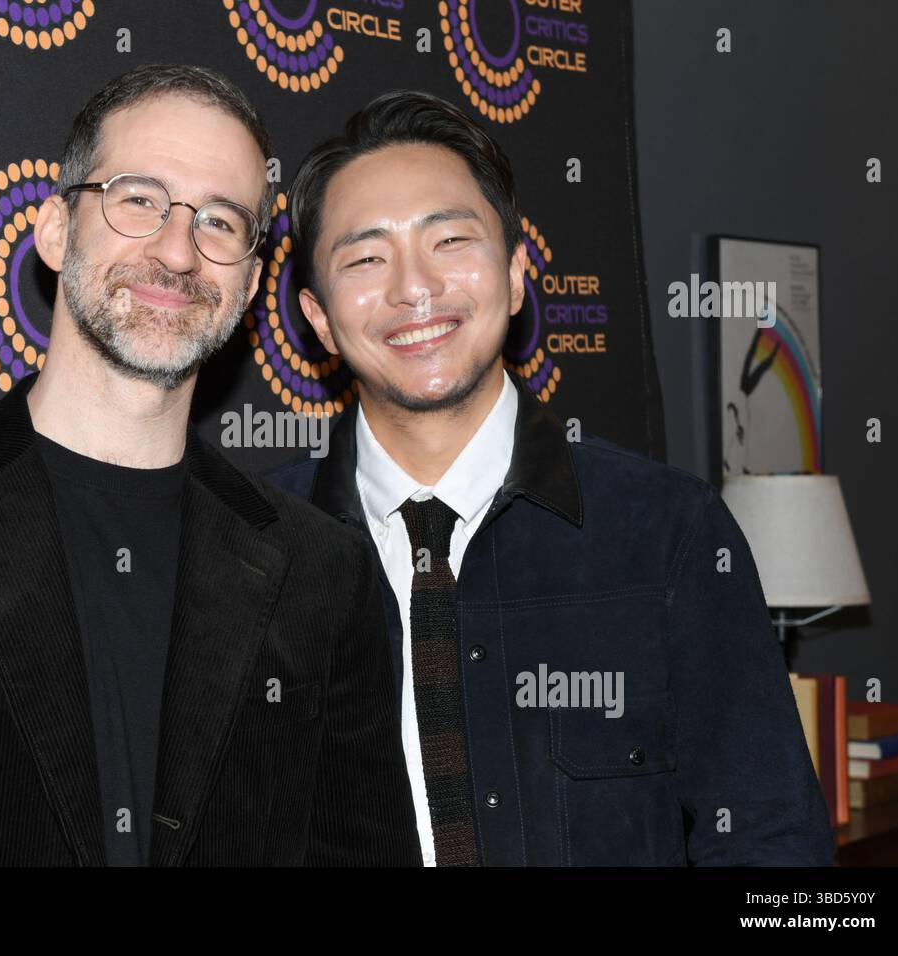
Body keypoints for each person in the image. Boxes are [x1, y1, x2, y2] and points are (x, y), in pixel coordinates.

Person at [0, 64, 421, 867]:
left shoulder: (322, 572)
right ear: (57, 231)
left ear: (251, 279)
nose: (178, 250)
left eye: (222, 221)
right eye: (139, 199)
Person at [267, 89, 834, 866]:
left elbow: (777, 844)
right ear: (320, 318)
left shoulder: (668, 532)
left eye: (450, 241)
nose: (414, 288)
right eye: (366, 257)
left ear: (515, 276)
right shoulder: (255, 555)